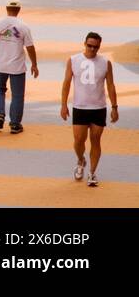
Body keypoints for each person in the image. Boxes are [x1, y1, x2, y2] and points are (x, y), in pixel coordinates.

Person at [61, 32, 119, 187]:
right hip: (80, 107)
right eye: (89, 46)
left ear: (99, 46)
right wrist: (63, 105)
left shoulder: (106, 63)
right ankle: (81, 159)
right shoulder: (73, 60)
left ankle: (92, 173)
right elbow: (66, 83)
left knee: (95, 140)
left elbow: (111, 85)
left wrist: (114, 107)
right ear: (84, 44)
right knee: (79, 140)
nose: (92, 49)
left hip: (98, 108)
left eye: (96, 47)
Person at [0, 0, 38, 134]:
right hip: (17, 67)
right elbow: (30, 47)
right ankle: (15, 124)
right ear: (19, 10)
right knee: (17, 96)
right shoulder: (23, 26)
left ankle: (0, 114)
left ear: (6, 8)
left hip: (1, 65)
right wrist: (34, 64)